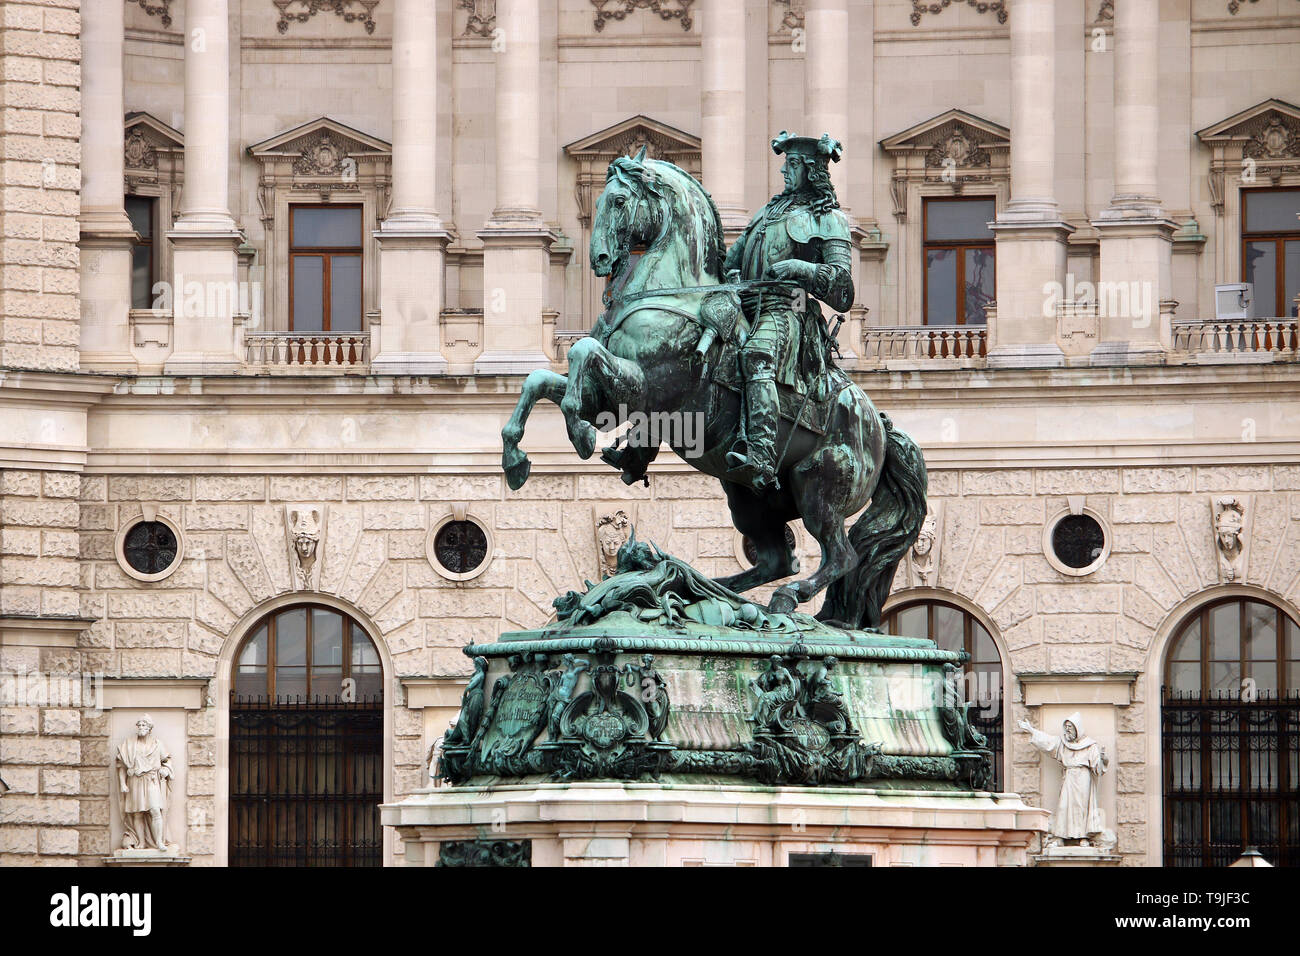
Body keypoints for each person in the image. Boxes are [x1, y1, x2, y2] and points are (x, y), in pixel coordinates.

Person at [722, 130, 854, 492]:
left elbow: (843, 289)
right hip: (742, 305)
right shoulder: (766, 214)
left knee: (756, 355)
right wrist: (730, 275)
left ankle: (761, 454)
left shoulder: (827, 219)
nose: (784, 172)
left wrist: (802, 270)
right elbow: (730, 261)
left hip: (787, 310)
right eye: (785, 164)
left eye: (792, 164)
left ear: (811, 170)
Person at [1018, 713, 1109, 847]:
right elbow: (1048, 741)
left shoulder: (1090, 745)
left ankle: (1083, 837)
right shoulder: (1063, 744)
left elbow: (1098, 768)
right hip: (1069, 778)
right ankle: (1060, 836)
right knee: (1064, 806)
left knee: (1081, 807)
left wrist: (1104, 760)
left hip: (1083, 778)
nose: (1067, 730)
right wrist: (1032, 730)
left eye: (1070, 727)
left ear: (1077, 729)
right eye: (1066, 727)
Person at [116, 715, 175, 851]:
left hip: (151, 780)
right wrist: (122, 784)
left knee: (155, 810)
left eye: (144, 725)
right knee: (138, 813)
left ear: (150, 729)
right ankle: (141, 843)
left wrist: (166, 769)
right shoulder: (129, 744)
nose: (141, 728)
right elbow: (121, 766)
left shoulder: (157, 744)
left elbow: (167, 760)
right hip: (135, 780)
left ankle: (159, 841)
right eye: (140, 725)